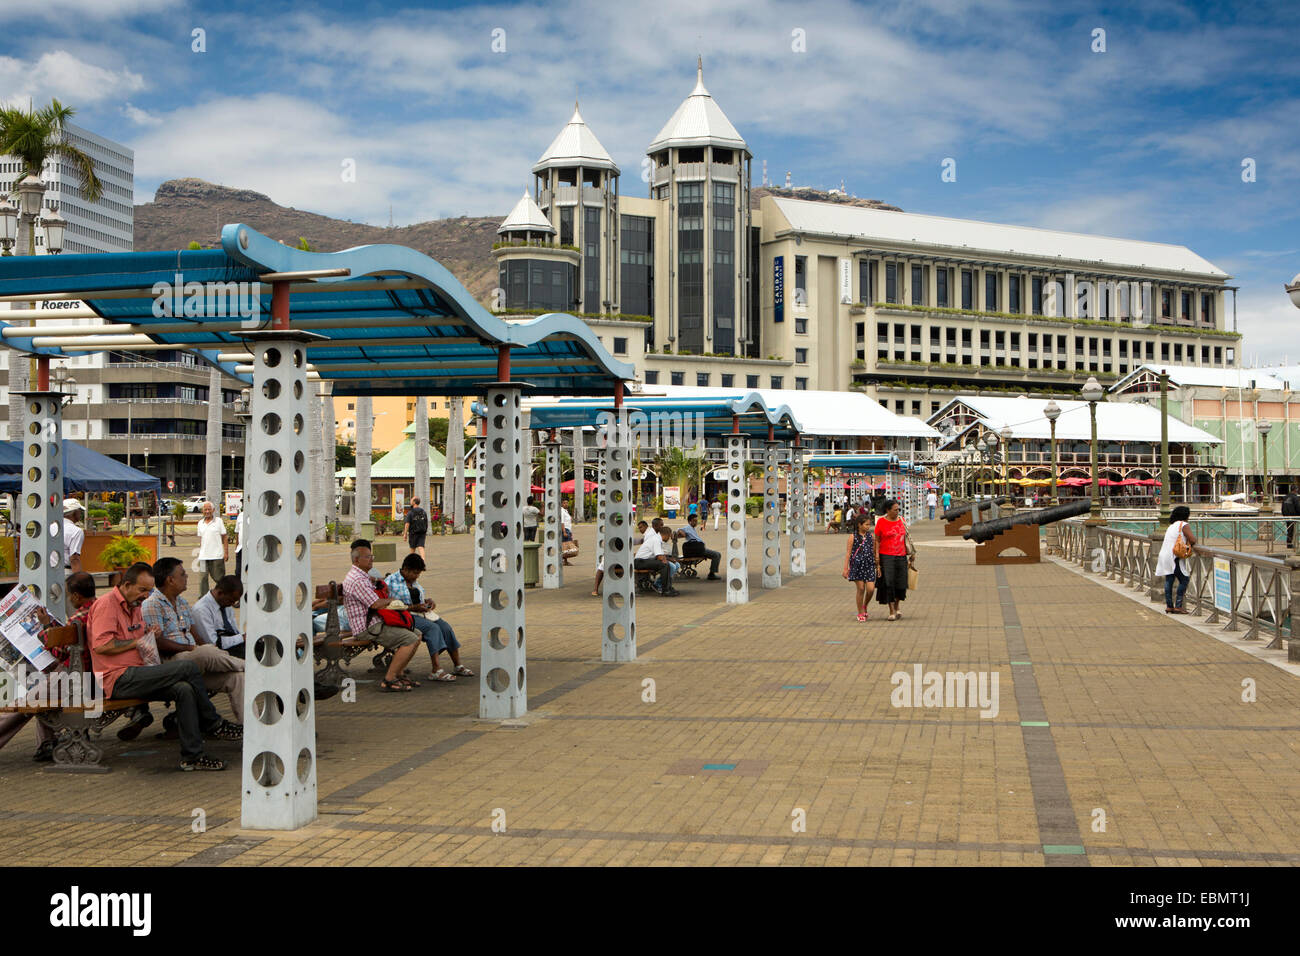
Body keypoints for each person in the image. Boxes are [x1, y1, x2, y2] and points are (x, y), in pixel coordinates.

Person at [87, 562, 241, 771]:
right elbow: (102, 645)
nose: (145, 595)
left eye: (149, 591)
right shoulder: (107, 605)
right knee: (187, 668)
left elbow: (138, 637)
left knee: (184, 689)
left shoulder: (134, 605)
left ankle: (192, 756)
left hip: (140, 671)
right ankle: (213, 723)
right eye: (142, 590)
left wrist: (150, 635)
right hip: (117, 678)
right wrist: (137, 641)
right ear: (126, 585)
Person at [142, 557, 245, 721]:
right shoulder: (152, 604)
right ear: (170, 580)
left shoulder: (182, 602)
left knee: (237, 678)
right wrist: (192, 649)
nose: (187, 577)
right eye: (182, 574)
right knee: (205, 652)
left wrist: (211, 651)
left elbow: (195, 635)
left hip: (195, 661)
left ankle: (251, 733)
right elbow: (158, 642)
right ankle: (249, 666)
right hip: (172, 662)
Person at [342, 539, 423, 691]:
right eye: (368, 557)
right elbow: (376, 604)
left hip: (376, 622)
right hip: (367, 628)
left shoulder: (363, 576)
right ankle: (389, 679)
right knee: (410, 639)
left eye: (372, 556)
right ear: (356, 560)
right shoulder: (357, 579)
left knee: (417, 634)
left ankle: (398, 674)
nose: (372, 559)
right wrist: (393, 600)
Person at [385, 553, 474, 682]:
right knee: (432, 628)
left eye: (418, 573)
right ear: (405, 569)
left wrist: (427, 601)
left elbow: (416, 596)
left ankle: (458, 665)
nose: (417, 576)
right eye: (415, 573)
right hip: (404, 616)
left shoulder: (413, 581)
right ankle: (436, 669)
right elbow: (389, 605)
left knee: (445, 627)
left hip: (420, 613)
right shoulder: (390, 582)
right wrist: (413, 607)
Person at [873, 499, 914, 621]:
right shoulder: (881, 522)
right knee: (888, 582)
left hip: (901, 556)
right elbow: (877, 540)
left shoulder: (901, 520)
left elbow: (907, 537)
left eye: (898, 509)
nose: (897, 512)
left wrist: (912, 553)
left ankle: (897, 606)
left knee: (901, 583)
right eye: (895, 510)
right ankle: (891, 610)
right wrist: (877, 557)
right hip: (886, 556)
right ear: (888, 510)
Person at [1156, 505, 1197, 614]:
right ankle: (1178, 606)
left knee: (1169, 580)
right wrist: (1190, 543)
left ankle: (1169, 606)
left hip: (1164, 555)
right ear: (1185, 515)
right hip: (1174, 556)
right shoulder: (1183, 524)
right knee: (1184, 579)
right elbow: (1193, 539)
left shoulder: (1172, 525)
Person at [191, 575, 245, 659]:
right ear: (220, 593)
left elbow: (234, 631)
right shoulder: (201, 610)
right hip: (217, 653)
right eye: (231, 600)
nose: (232, 604)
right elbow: (213, 643)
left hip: (231, 646)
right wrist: (242, 637)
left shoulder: (225, 604)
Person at [842, 511, 878, 622]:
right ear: (859, 525)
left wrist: (878, 566)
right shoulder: (852, 537)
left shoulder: (871, 537)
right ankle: (860, 612)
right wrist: (845, 568)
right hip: (857, 566)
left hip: (869, 565)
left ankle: (864, 605)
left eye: (869, 524)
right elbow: (848, 553)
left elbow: (874, 551)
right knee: (861, 588)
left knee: (871, 589)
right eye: (866, 524)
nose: (868, 526)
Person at [634, 522, 678, 596]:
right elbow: (659, 557)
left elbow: (661, 555)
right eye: (669, 536)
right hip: (640, 562)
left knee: (666, 564)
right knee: (665, 565)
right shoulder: (656, 540)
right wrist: (666, 560)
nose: (669, 538)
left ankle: (668, 588)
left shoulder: (657, 538)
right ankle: (665, 590)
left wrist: (668, 559)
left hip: (644, 561)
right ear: (666, 534)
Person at [194, 501, 228, 598]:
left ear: (213, 510)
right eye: (205, 509)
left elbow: (224, 537)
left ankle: (225, 595)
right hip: (203, 557)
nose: (207, 511)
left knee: (219, 578)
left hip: (217, 556)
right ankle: (203, 598)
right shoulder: (200, 523)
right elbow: (201, 539)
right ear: (202, 511)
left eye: (209, 509)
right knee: (202, 579)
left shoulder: (218, 521)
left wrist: (226, 552)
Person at [678, 514, 721, 580]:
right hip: (696, 549)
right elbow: (679, 530)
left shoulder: (692, 528)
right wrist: (682, 533)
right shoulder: (687, 528)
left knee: (716, 554)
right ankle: (711, 574)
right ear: (689, 521)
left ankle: (712, 573)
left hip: (699, 548)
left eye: (696, 521)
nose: (696, 522)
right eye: (694, 521)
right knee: (716, 555)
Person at [63, 499, 86, 574]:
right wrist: (78, 579)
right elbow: (74, 558)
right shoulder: (76, 531)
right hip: (66, 572)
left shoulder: (51, 527)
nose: (80, 513)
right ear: (75, 512)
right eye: (79, 511)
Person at [232, 504, 246, 584]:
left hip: (252, 549)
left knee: (252, 572)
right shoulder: (240, 515)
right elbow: (237, 532)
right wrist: (236, 547)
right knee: (238, 572)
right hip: (240, 548)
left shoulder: (256, 515)